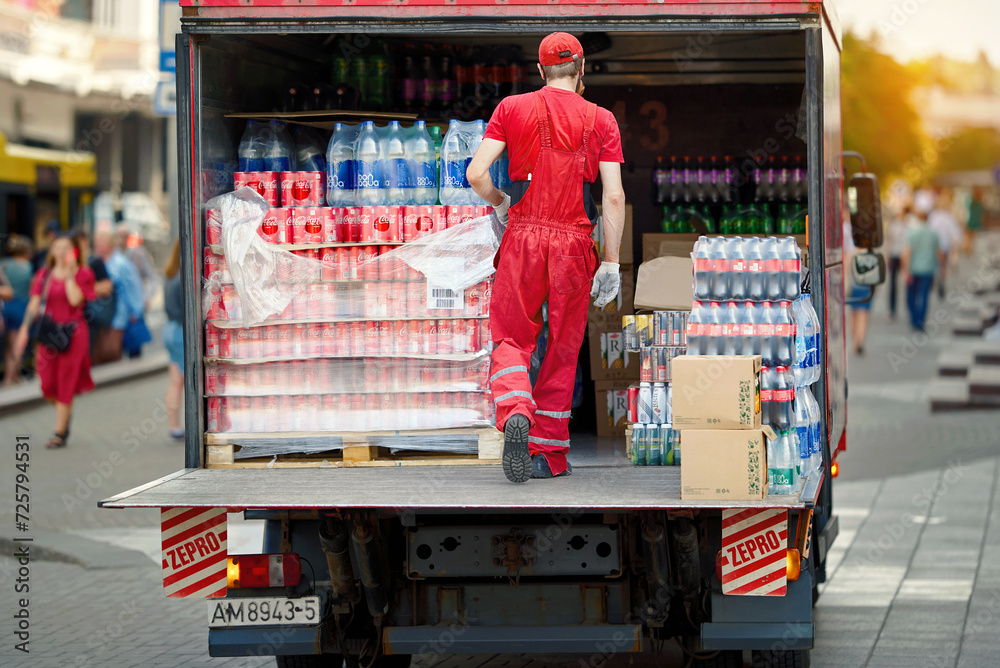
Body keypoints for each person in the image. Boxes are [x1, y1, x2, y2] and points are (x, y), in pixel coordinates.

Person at [467, 32, 625, 482]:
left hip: (522, 240)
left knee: (513, 338)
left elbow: (475, 173)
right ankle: (547, 455)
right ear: (582, 71)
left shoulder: (511, 109)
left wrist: (500, 202)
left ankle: (516, 407)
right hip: (575, 246)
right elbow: (612, 198)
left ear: (540, 71)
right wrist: (611, 262)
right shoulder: (603, 120)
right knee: (563, 347)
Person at [14, 235, 97, 448]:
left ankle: (59, 432)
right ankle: (64, 411)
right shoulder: (44, 275)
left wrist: (70, 274)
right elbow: (34, 304)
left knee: (65, 381)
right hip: (49, 335)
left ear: (74, 251)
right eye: (57, 247)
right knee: (47, 383)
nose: (60, 251)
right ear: (51, 251)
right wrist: (24, 329)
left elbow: (75, 300)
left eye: (65, 248)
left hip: (74, 334)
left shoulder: (83, 273)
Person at [92, 229, 145, 363]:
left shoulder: (121, 264)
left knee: (111, 354)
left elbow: (133, 288)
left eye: (99, 243)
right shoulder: (98, 262)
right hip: (102, 318)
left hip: (118, 318)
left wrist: (136, 312)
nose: (96, 246)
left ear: (109, 244)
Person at [901, 210, 944, 332]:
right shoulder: (933, 233)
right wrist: (942, 267)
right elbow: (939, 252)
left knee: (911, 295)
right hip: (928, 269)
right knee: (924, 295)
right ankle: (920, 321)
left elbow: (907, 252)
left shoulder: (912, 232)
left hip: (913, 270)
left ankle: (914, 318)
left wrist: (905, 269)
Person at [2, 235, 35, 385]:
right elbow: (32, 290)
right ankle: (10, 376)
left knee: (10, 344)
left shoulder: (4, 264)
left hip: (6, 306)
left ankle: (13, 376)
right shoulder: (28, 267)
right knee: (18, 344)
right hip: (21, 306)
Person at [163, 241, 185, 440]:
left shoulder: (170, 274)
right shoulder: (183, 277)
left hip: (169, 328)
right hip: (180, 330)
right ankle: (178, 426)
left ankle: (174, 425)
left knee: (175, 381)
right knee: (185, 380)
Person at [927, 189, 963, 299]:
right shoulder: (948, 216)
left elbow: (929, 230)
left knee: (936, 264)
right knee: (943, 266)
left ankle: (936, 279)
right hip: (945, 245)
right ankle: (941, 280)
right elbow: (955, 231)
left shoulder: (933, 216)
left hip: (935, 245)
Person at [843, 220, 872, 355]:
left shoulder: (852, 250)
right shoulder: (868, 251)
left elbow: (847, 267)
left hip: (853, 285)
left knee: (854, 313)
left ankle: (855, 339)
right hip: (865, 285)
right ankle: (859, 341)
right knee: (863, 314)